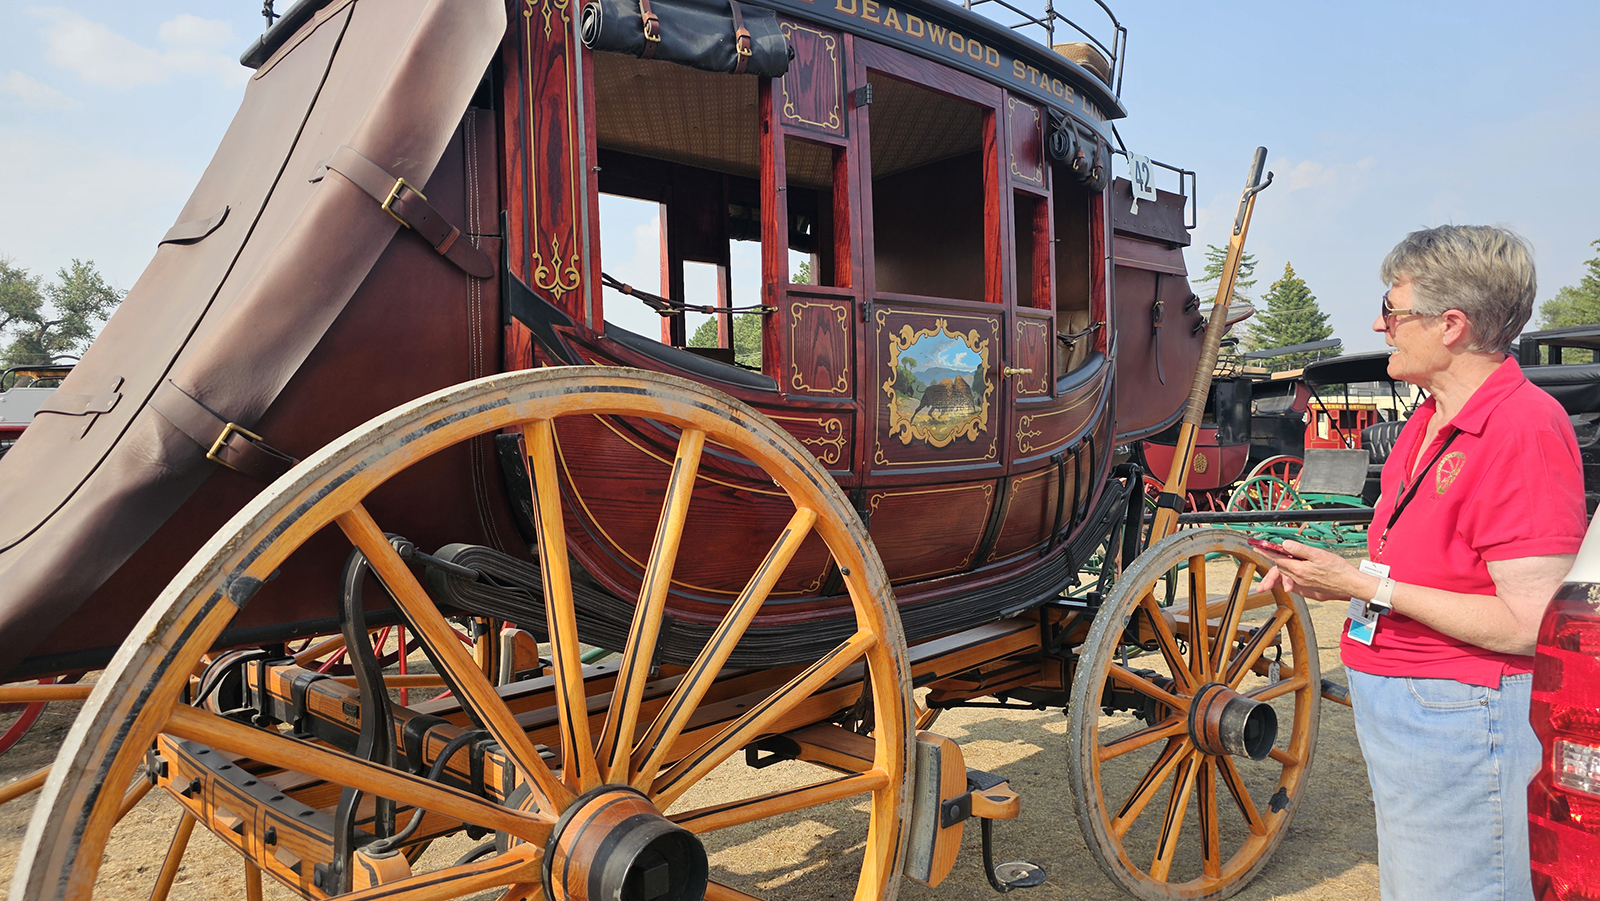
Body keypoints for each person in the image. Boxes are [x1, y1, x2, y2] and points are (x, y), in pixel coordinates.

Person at [1257, 225, 1587, 901]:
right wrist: (1335, 579)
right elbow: (1416, 566)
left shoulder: (1522, 426)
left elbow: (1531, 622)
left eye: (1394, 309)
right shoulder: (1428, 418)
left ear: (1452, 325)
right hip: (1421, 715)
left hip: (1467, 716)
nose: (1380, 324)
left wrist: (1359, 583)